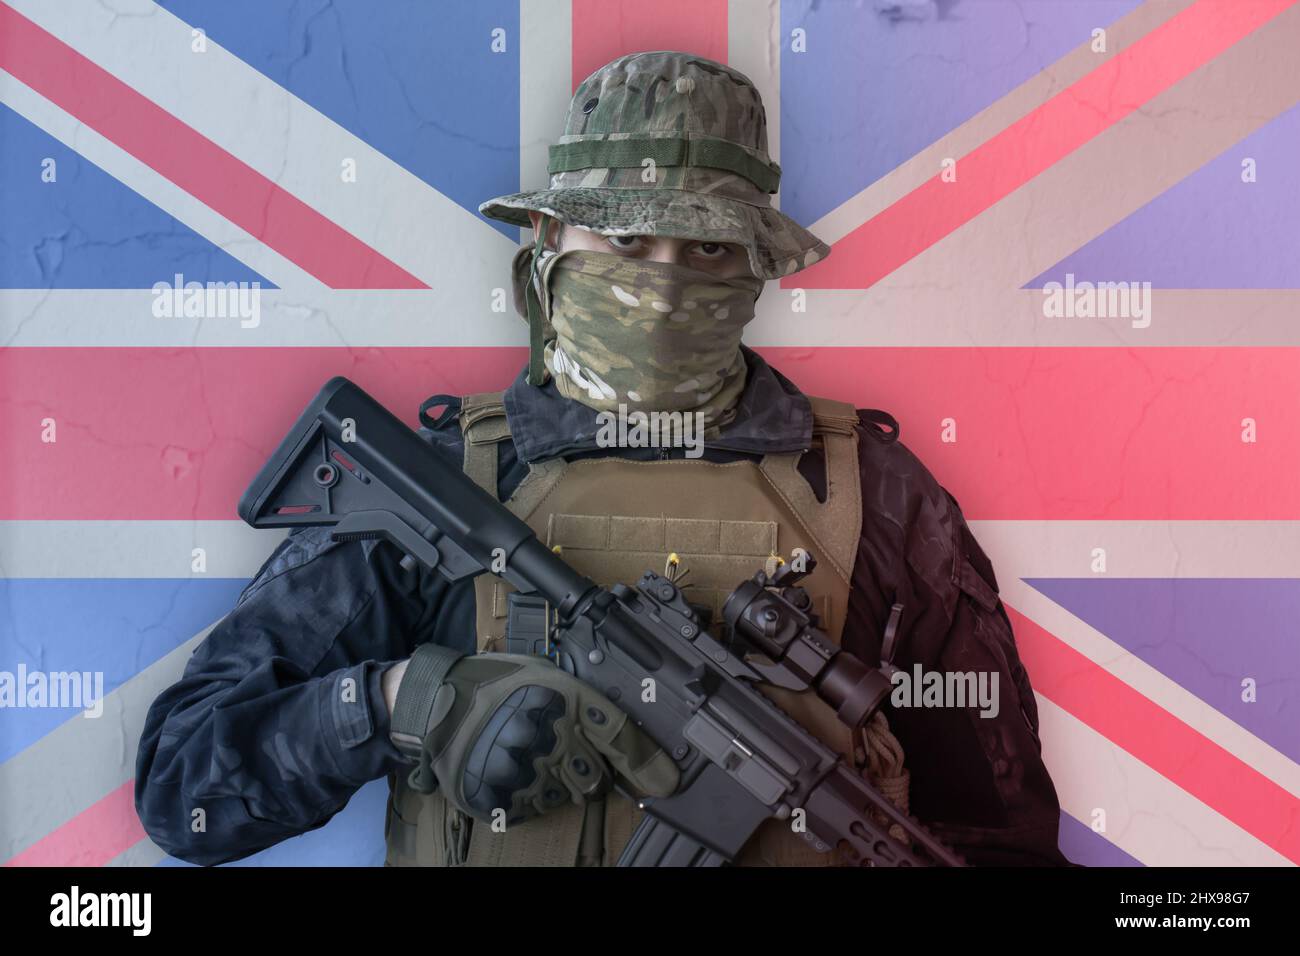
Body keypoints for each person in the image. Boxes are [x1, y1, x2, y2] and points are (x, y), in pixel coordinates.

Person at [136, 51, 1068, 867]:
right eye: (624, 239)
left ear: (754, 266)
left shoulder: (878, 496)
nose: (664, 283)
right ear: (549, 245)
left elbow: (999, 837)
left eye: (707, 246)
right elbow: (186, 789)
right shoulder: (450, 481)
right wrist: (401, 702)